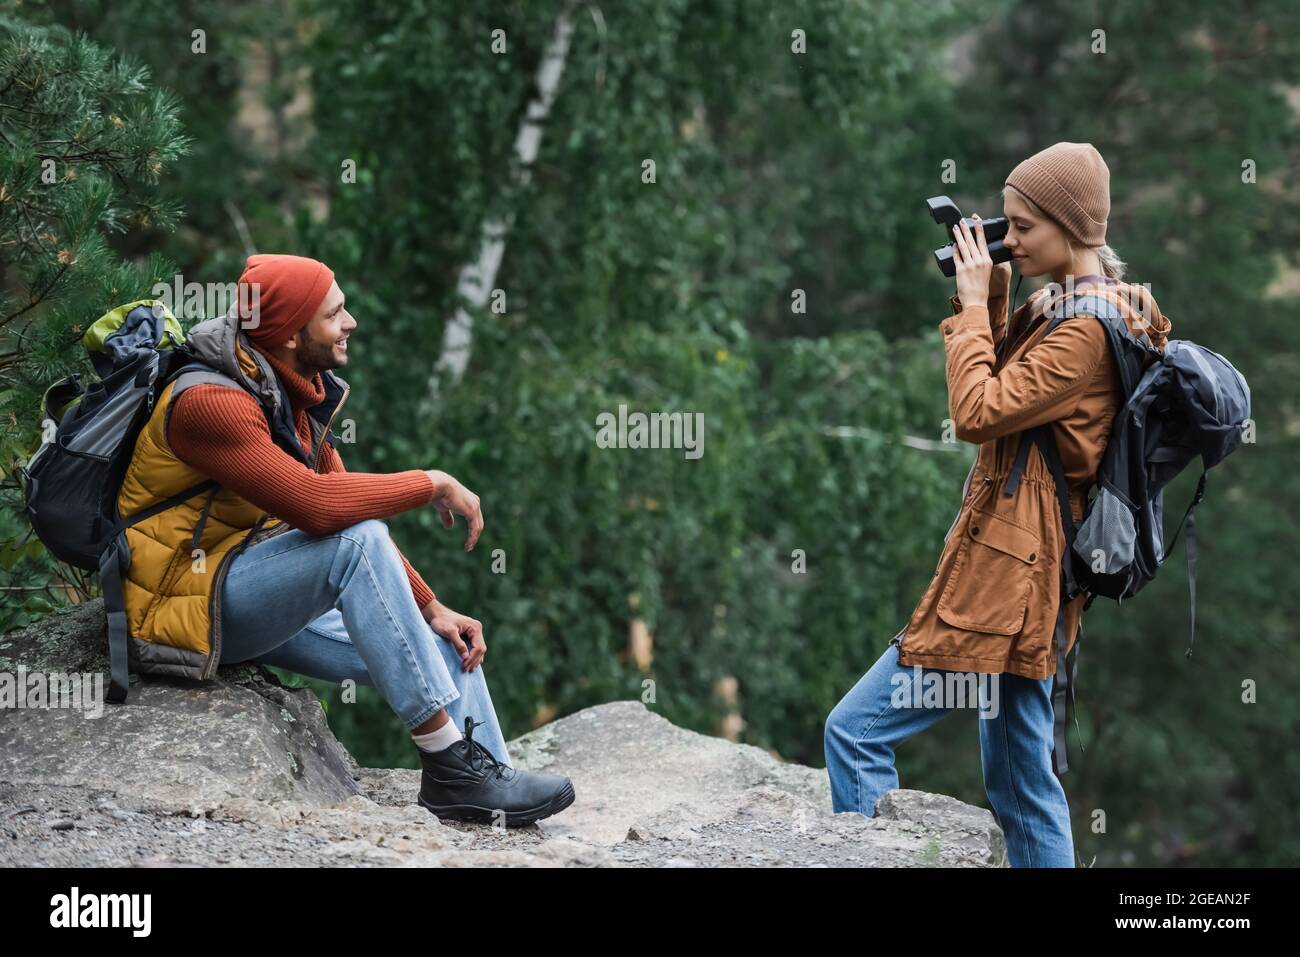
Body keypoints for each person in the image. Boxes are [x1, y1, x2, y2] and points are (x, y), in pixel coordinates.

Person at [121, 252, 574, 827]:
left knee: (448, 646)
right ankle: (448, 764)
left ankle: (487, 787)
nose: (351, 322)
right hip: (183, 602)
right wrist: (430, 482)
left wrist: (432, 607)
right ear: (288, 333)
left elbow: (333, 496)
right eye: (335, 313)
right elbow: (319, 508)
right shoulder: (210, 403)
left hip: (244, 580)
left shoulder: (283, 389)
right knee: (357, 537)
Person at [823, 142, 1172, 867]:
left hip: (1010, 586)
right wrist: (990, 296)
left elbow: (978, 409)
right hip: (1028, 583)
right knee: (1020, 780)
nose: (1007, 240)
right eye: (1003, 224)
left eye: (1022, 227)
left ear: (1072, 228)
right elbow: (1015, 398)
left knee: (854, 731)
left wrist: (975, 310)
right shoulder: (1077, 304)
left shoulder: (1085, 331)